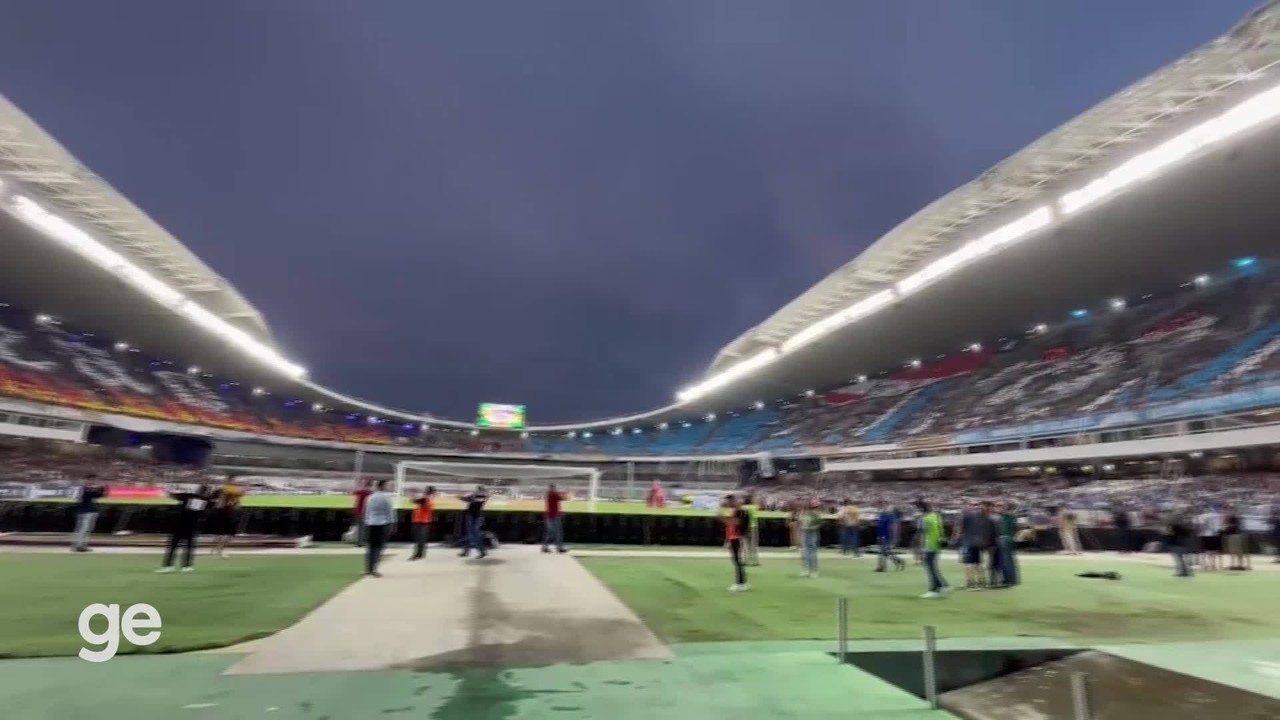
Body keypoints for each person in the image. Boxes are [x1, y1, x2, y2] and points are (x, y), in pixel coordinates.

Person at [158, 485, 212, 573]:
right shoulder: (205, 501)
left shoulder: (189, 496)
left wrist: (167, 491)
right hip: (192, 527)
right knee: (189, 547)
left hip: (180, 525)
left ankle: (168, 565)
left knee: (173, 547)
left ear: (198, 490)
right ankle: (187, 566)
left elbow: (174, 496)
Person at [917, 500, 948, 599]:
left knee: (930, 568)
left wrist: (919, 548)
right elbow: (941, 530)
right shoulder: (936, 516)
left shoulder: (924, 519)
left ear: (921, 509)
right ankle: (942, 585)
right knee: (933, 567)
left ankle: (934, 589)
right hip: (937, 544)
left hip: (929, 545)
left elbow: (922, 534)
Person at [363, 479, 394, 576]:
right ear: (383, 486)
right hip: (382, 524)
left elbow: (366, 512)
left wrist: (367, 521)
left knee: (371, 547)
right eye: (387, 485)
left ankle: (368, 569)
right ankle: (374, 569)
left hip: (371, 523)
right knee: (379, 548)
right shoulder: (386, 498)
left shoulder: (370, 497)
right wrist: (392, 525)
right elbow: (389, 513)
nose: (389, 487)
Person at [212, 474, 244, 558]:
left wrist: (237, 505)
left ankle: (220, 549)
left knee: (229, 533)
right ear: (229, 480)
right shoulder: (226, 488)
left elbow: (238, 498)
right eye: (233, 480)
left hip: (231, 512)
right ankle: (220, 549)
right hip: (224, 511)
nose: (235, 482)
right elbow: (237, 494)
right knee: (223, 533)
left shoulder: (233, 489)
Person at [70, 475, 104, 553]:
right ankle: (78, 545)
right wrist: (101, 489)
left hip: (91, 510)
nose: (93, 481)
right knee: (82, 529)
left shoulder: (89, 489)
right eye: (91, 480)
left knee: (87, 529)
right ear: (86, 480)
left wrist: (100, 489)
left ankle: (82, 545)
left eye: (94, 480)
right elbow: (95, 494)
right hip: (84, 511)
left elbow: (98, 494)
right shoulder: (83, 489)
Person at [724, 495, 749, 591]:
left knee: (737, 561)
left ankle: (740, 584)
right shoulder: (736, 511)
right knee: (738, 561)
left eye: (729, 501)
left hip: (736, 538)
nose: (728, 503)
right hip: (734, 537)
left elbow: (736, 523)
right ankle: (743, 582)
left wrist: (722, 518)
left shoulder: (739, 511)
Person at [459, 485, 489, 559]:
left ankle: (481, 551)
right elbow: (467, 499)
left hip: (475, 516)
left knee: (474, 534)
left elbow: (467, 499)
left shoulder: (480, 496)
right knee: (470, 533)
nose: (477, 491)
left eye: (479, 490)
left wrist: (460, 497)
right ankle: (467, 551)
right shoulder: (479, 495)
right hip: (473, 515)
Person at [875, 504, 905, 571]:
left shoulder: (890, 516)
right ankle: (898, 561)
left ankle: (882, 567)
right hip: (883, 535)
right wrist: (879, 536)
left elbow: (893, 527)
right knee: (885, 552)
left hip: (887, 536)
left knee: (884, 552)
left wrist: (894, 537)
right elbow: (880, 526)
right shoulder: (882, 515)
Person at [409, 486, 436, 560]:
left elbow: (413, 501)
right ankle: (420, 554)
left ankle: (418, 554)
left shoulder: (426, 499)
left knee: (420, 539)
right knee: (421, 539)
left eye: (426, 490)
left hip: (422, 521)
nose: (425, 492)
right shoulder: (428, 498)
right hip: (422, 520)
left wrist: (412, 493)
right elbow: (414, 501)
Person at [1167, 510, 1194, 577]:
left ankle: (1182, 571)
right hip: (1183, 541)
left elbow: (1170, 532)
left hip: (1177, 541)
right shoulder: (1185, 523)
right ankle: (1186, 571)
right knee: (1182, 557)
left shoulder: (1174, 524)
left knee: (1178, 557)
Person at [798, 500, 821, 578]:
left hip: (812, 534)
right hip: (804, 533)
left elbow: (818, 525)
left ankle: (814, 571)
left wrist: (811, 528)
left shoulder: (816, 514)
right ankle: (806, 570)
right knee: (804, 552)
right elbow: (800, 522)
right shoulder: (804, 513)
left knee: (812, 552)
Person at [1195, 506, 1222, 572]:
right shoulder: (1217, 516)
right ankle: (1213, 565)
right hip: (1214, 535)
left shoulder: (1202, 516)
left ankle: (1204, 565)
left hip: (1205, 535)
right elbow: (1219, 527)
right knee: (1213, 551)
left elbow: (1201, 525)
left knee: (1204, 551)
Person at [542, 483, 567, 553]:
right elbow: (563, 498)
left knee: (550, 532)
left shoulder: (548, 494)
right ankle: (559, 547)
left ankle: (545, 547)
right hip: (554, 516)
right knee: (557, 532)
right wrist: (565, 492)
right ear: (553, 488)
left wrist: (561, 492)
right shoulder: (553, 494)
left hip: (549, 516)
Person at [1223, 506, 1250, 571]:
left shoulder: (1235, 518)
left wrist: (1227, 526)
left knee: (1238, 551)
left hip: (1235, 535)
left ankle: (1240, 565)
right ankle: (1233, 565)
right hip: (1232, 535)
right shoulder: (1230, 518)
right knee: (1232, 551)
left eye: (1230, 510)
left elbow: (1234, 526)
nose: (1228, 512)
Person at [351, 480, 373, 547]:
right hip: (365, 512)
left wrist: (358, 485)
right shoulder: (370, 492)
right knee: (364, 528)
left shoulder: (361, 491)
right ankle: (362, 542)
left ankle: (359, 542)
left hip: (358, 511)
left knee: (360, 528)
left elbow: (353, 493)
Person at [742, 494, 760, 566]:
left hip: (745, 527)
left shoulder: (743, 507)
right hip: (753, 526)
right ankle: (755, 561)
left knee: (745, 544)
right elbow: (755, 517)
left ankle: (745, 561)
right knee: (754, 545)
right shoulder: (754, 507)